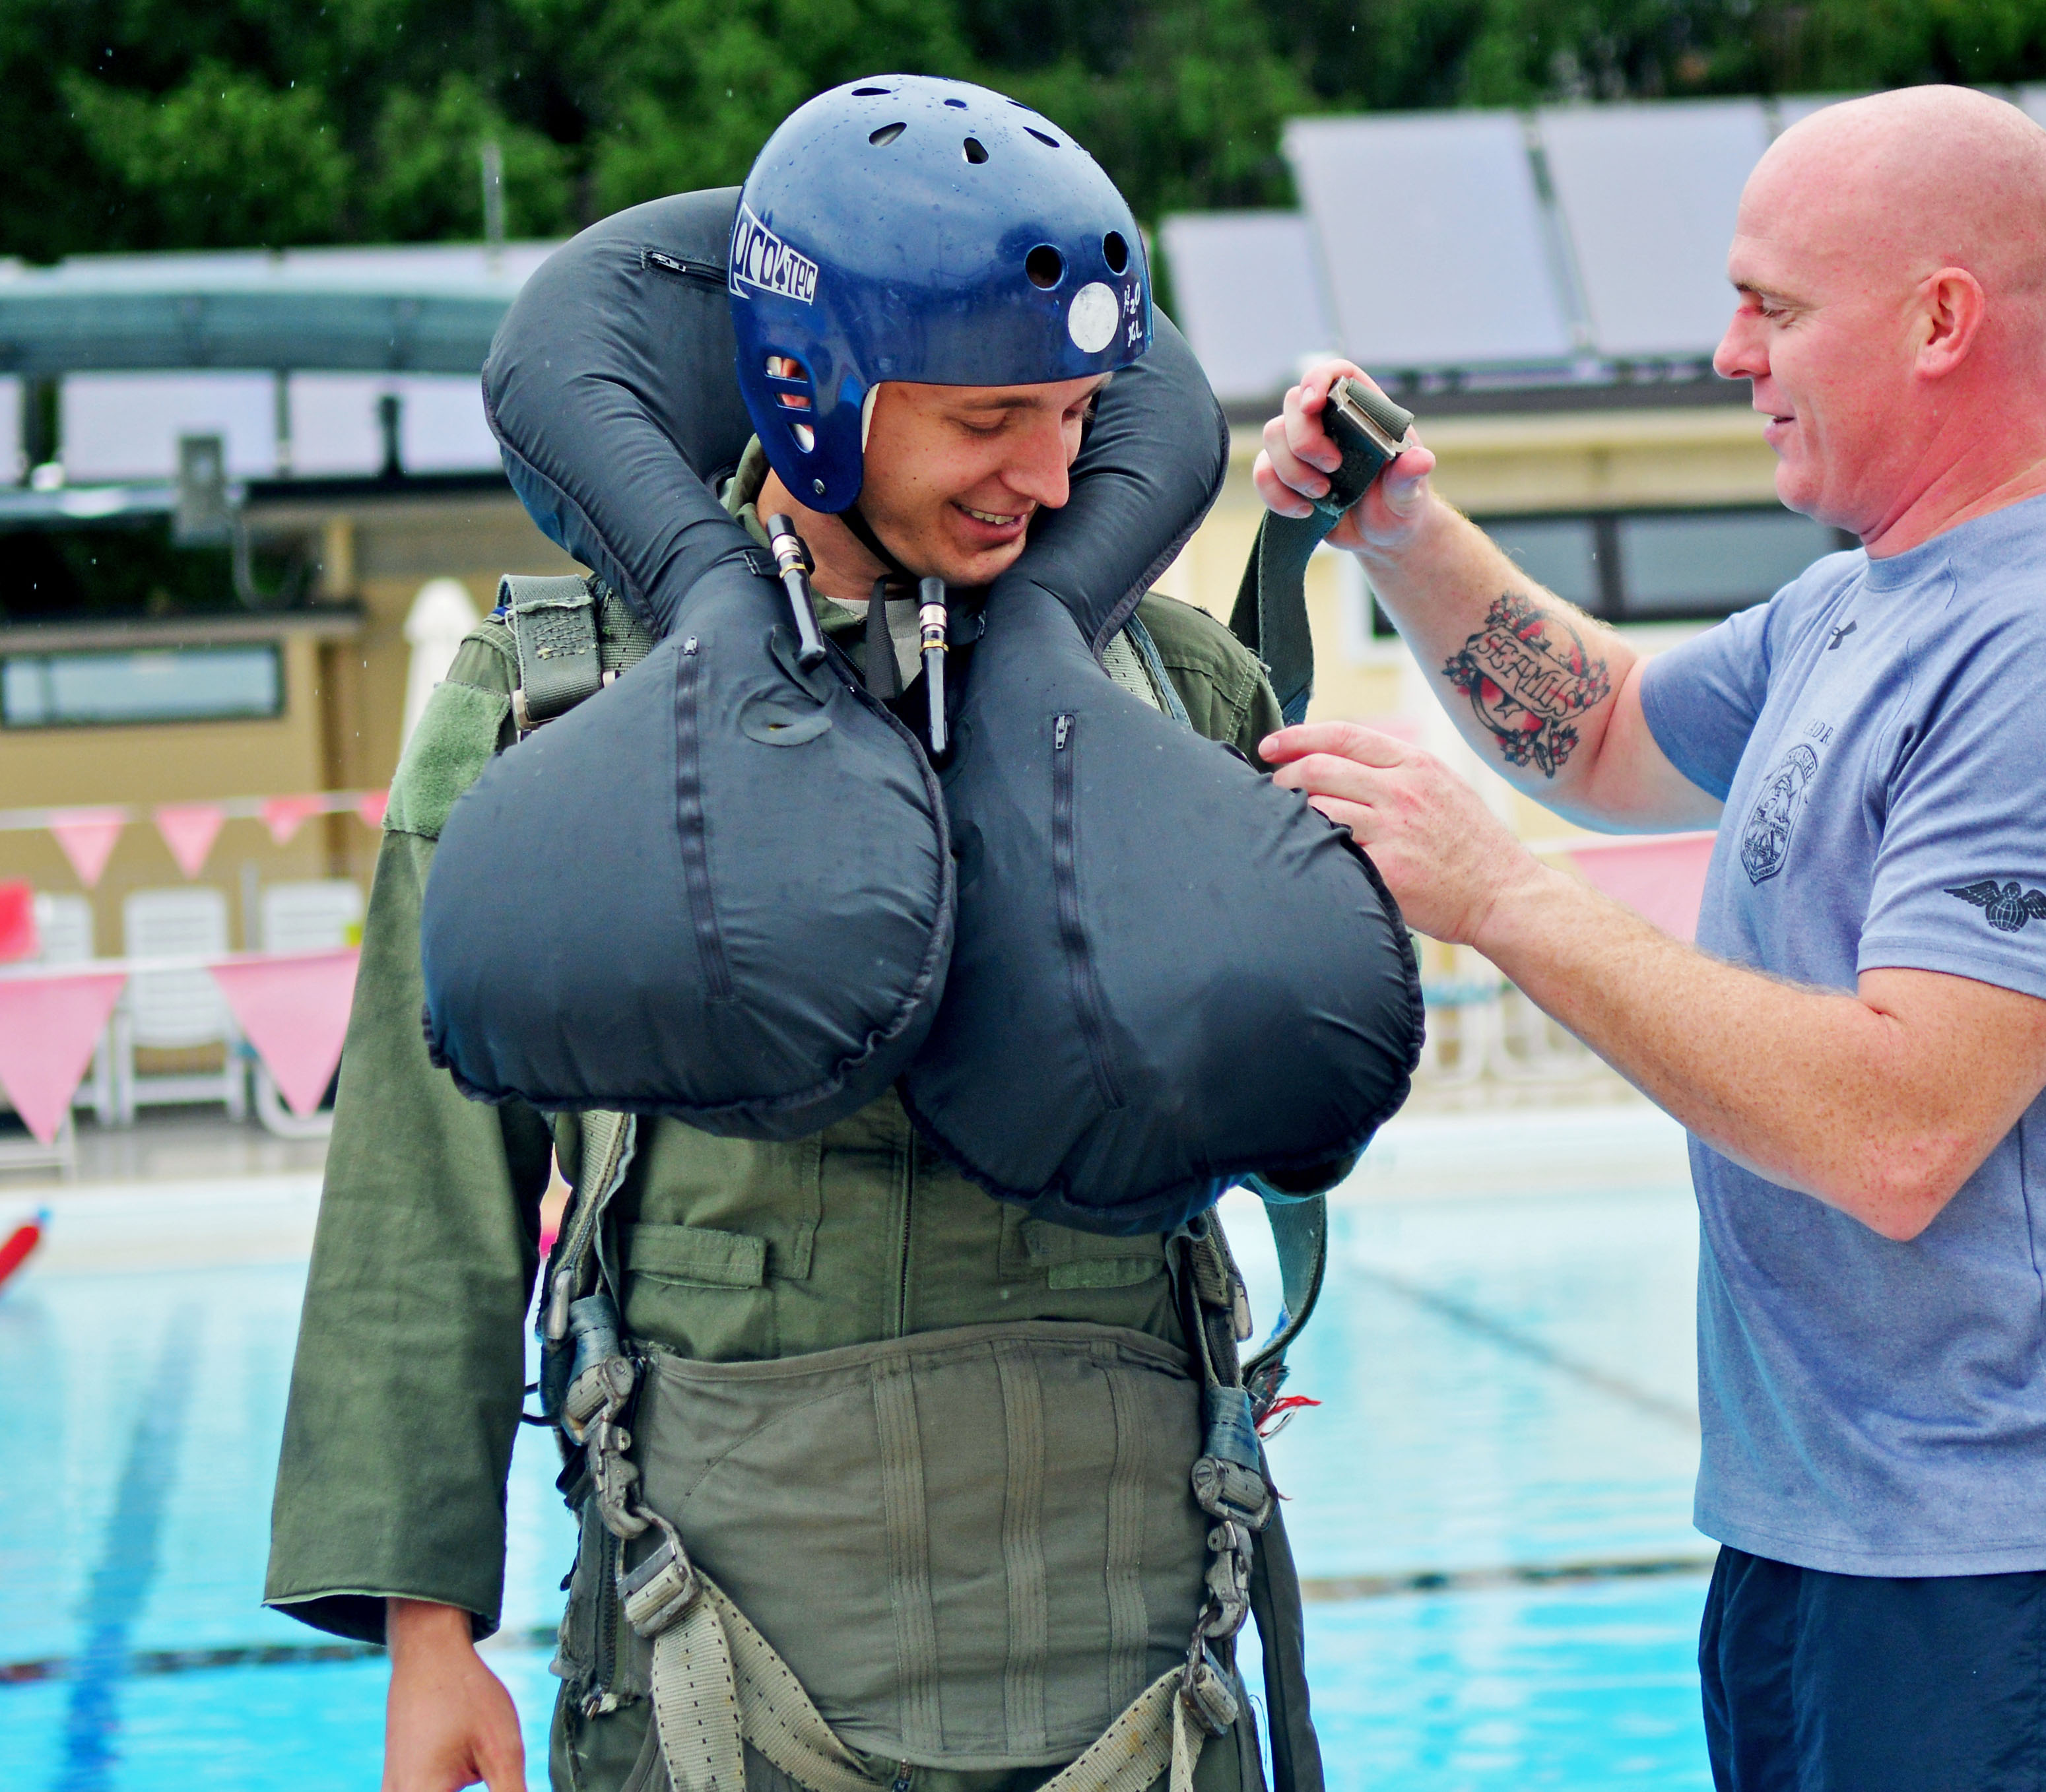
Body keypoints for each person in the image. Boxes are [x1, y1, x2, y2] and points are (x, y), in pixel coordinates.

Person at [267, 79, 1332, 1792]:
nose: (1051, 472)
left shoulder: (1165, 684)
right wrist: (425, 1631)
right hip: (721, 1650)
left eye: (1074, 414)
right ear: (816, 394)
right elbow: (423, 1187)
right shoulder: (559, 706)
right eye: (994, 417)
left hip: (1128, 1636)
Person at [1257, 85, 2046, 1789]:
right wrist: (1401, 537)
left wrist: (1501, 894)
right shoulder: (1860, 602)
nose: (1732, 352)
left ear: (1942, 317)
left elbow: (1900, 1130)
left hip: (2034, 1581)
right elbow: (1600, 733)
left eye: (1773, 305)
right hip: (1832, 1550)